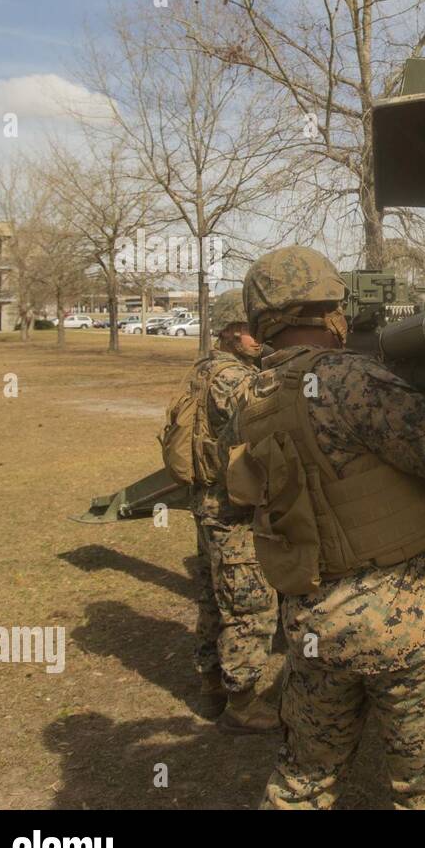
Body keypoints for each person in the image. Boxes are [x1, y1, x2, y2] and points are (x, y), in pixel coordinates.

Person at [219, 246, 425, 808]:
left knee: (304, 780)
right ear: (331, 314)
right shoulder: (349, 379)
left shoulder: (249, 401)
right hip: (411, 627)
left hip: (313, 626)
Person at [180, 290, 277, 730]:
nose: (258, 337)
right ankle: (243, 703)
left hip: (207, 502)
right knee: (250, 605)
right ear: (231, 332)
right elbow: (267, 407)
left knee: (213, 598)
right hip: (231, 509)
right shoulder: (230, 377)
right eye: (250, 330)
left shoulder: (203, 368)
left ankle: (211, 686)